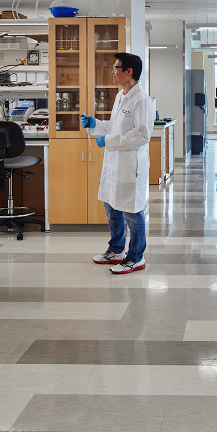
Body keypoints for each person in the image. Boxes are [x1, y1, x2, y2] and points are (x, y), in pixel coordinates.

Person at [80, 52, 154, 274]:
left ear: (128, 72)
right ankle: (116, 250)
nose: (112, 71)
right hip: (115, 162)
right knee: (111, 206)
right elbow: (115, 127)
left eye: (116, 67)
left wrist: (109, 140)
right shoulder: (121, 96)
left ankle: (136, 257)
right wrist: (97, 124)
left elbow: (142, 135)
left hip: (130, 165)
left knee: (132, 211)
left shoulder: (142, 100)